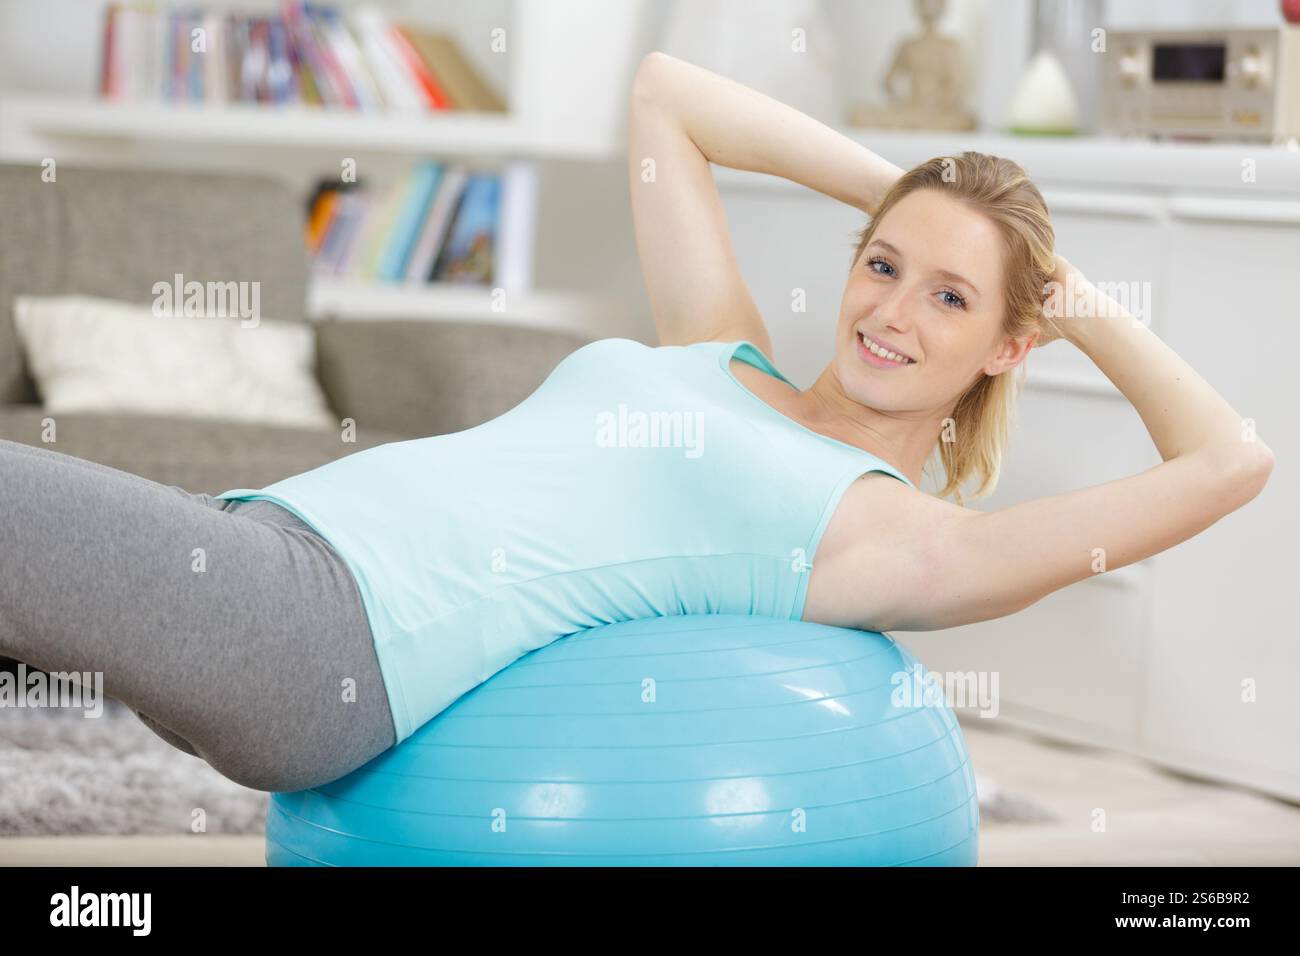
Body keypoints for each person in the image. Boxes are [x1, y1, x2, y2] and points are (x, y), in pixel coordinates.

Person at [0, 52, 1273, 796]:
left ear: (1005, 342)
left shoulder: (888, 537)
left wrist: (1067, 297)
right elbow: (668, 95)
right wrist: (917, 190)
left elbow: (1229, 459)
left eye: (949, 297)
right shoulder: (714, 350)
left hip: (323, 632)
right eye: (881, 263)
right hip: (273, 542)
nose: (891, 311)